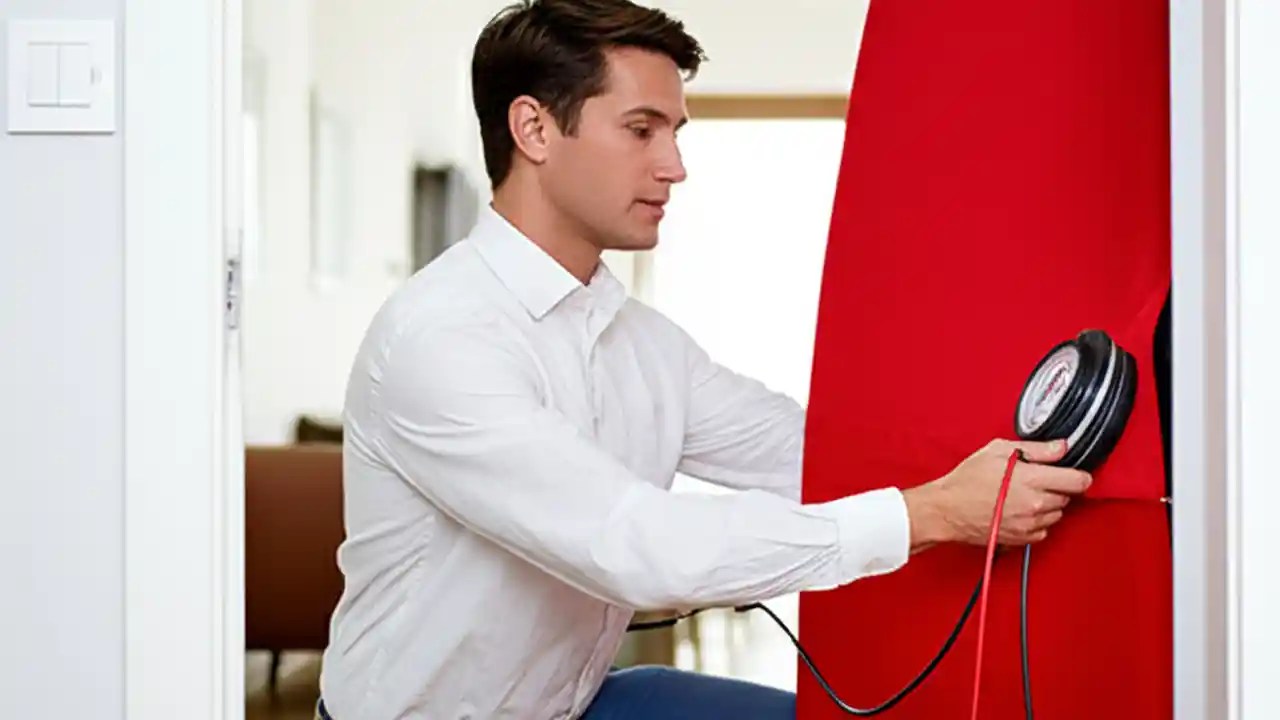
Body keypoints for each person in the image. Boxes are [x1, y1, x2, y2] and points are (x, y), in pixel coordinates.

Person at [316, 1, 1092, 718]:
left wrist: (988, 465)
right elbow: (635, 544)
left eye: (675, 133)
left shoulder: (642, 344)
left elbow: (808, 454)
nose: (674, 166)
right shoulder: (441, 338)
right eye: (641, 130)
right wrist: (931, 513)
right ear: (535, 130)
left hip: (575, 706)